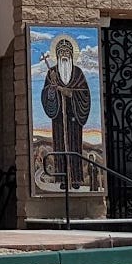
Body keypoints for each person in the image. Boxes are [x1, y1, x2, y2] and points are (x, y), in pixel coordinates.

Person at [41, 36, 93, 188]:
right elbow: (45, 94)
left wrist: (70, 92)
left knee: (74, 146)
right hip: (59, 117)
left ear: (71, 54)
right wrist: (52, 89)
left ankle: (76, 179)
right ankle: (62, 179)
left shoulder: (77, 73)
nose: (64, 54)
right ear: (57, 54)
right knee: (60, 146)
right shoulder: (52, 74)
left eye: (67, 52)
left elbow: (85, 93)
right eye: (61, 52)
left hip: (74, 117)